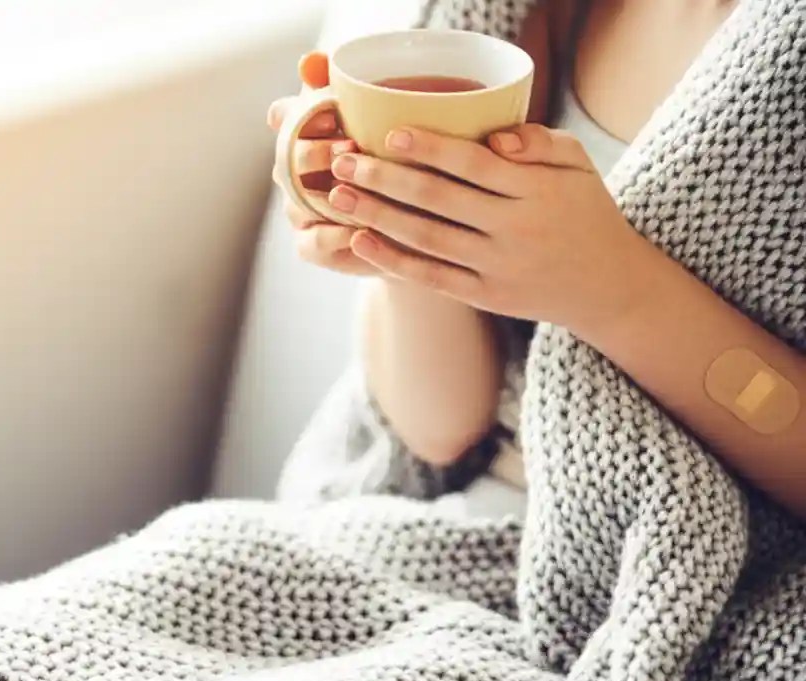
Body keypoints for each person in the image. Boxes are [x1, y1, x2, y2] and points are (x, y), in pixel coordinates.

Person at [268, 0, 806, 518]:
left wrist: (618, 294)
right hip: (471, 526)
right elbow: (440, 433)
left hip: (700, 567)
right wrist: (396, 233)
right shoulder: (522, 17)